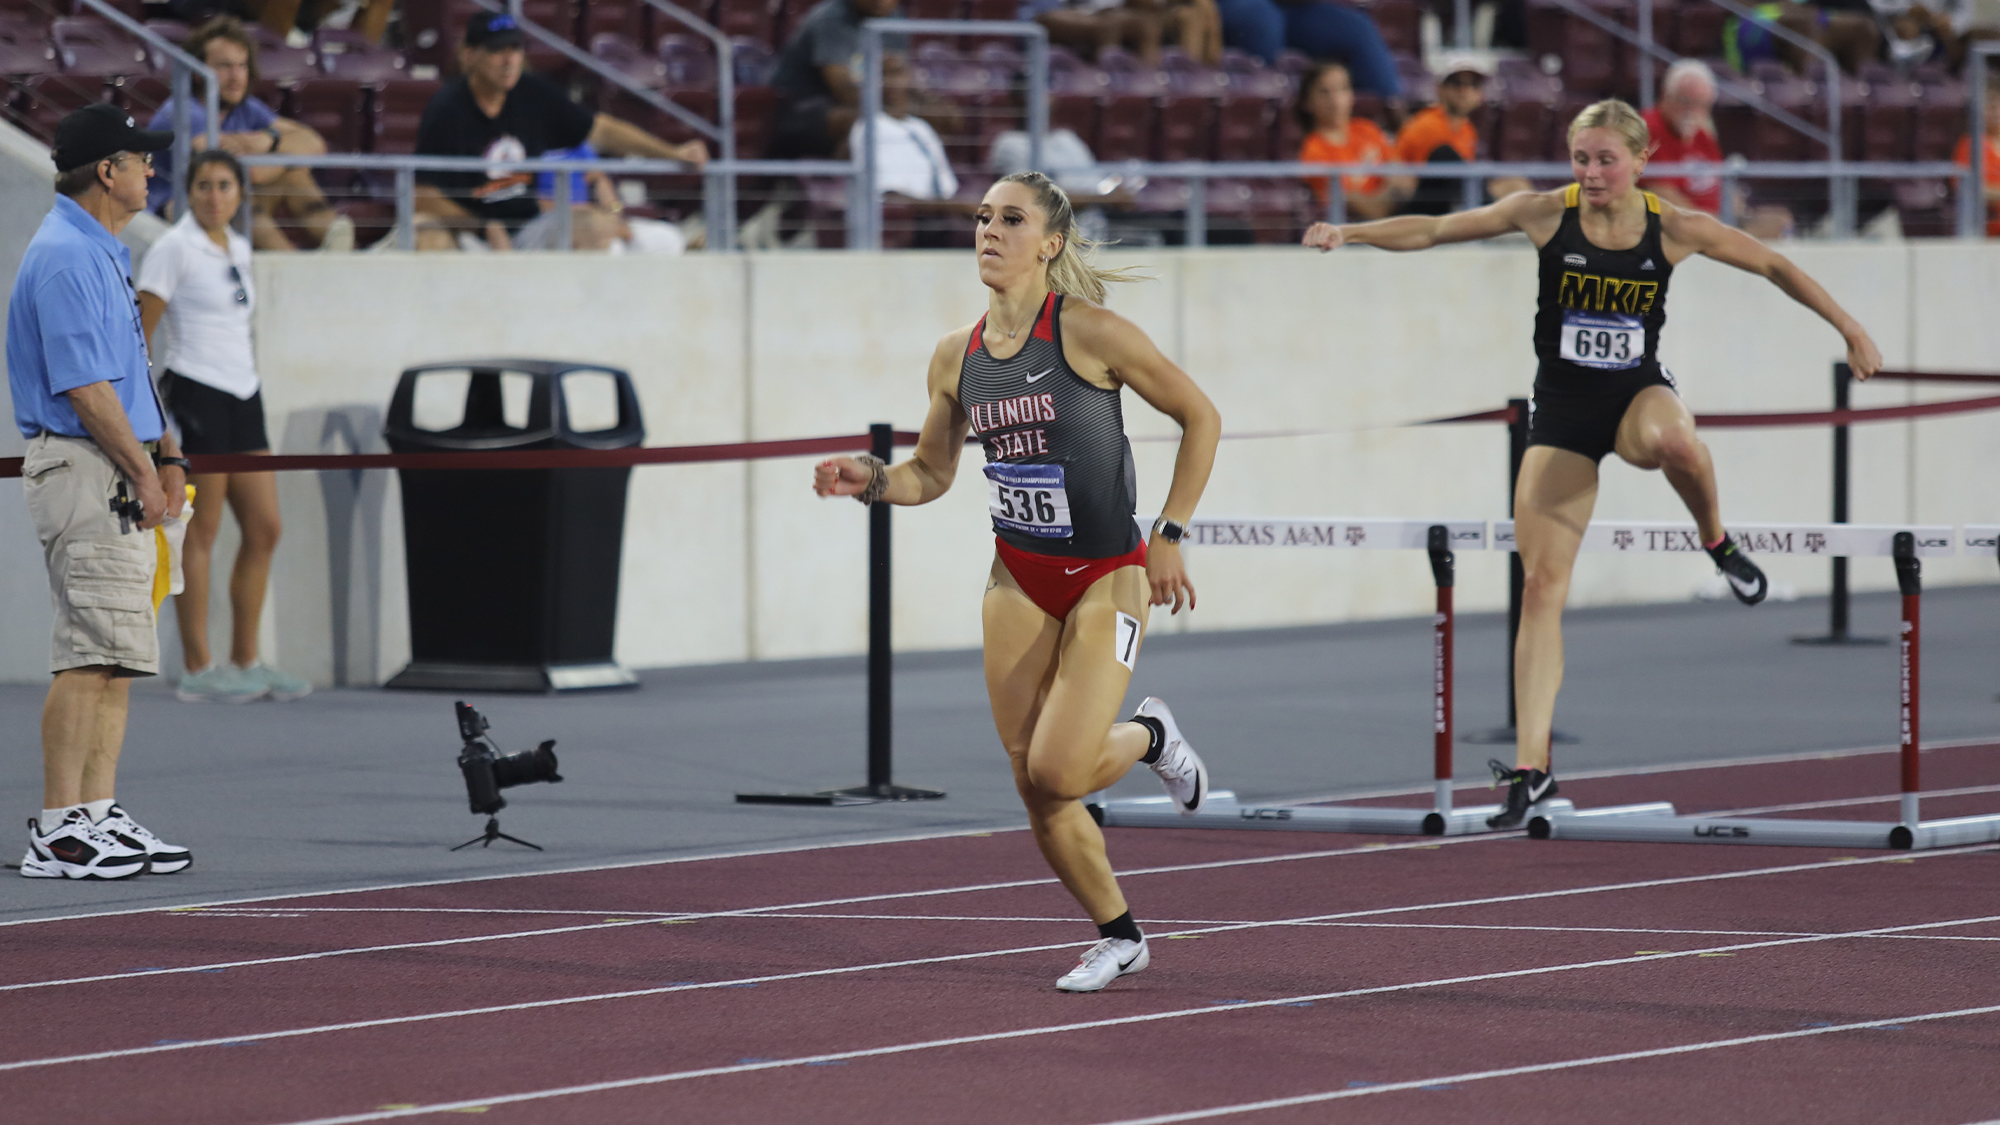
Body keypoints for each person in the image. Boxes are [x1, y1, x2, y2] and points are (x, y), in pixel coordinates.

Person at [1303, 99, 1884, 827]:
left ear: (1641, 162)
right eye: (1582, 158)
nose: (1593, 172)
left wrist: (1851, 327)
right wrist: (1349, 232)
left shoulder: (1674, 227)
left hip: (1636, 396)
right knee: (1542, 586)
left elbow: (1771, 263)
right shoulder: (1547, 214)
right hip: (1565, 414)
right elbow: (1436, 229)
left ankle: (1716, 539)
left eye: (1607, 159)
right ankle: (1532, 766)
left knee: (1677, 441)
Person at [812, 171, 1221, 990]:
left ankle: (1152, 735)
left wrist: (1171, 531)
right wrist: (874, 479)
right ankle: (1121, 935)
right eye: (981, 218)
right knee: (1032, 781)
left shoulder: (1090, 333)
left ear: (1052, 242)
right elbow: (931, 472)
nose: (989, 231)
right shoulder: (955, 356)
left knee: (1062, 769)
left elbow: (1200, 415)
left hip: (1109, 574)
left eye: (1011, 219)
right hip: (1019, 576)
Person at [7, 104, 194, 879]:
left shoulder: (99, 250)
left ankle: (94, 810)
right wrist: (148, 474)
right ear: (106, 171)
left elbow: (127, 374)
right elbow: (85, 387)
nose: (153, 170)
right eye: (140, 159)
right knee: (87, 652)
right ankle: (58, 825)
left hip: (114, 465)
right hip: (89, 466)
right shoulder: (67, 256)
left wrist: (168, 452)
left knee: (116, 653)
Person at [136, 150, 312, 704]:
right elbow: (139, 334)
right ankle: (198, 665)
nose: (215, 196)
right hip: (196, 393)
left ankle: (247, 659)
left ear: (240, 193)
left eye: (226, 186)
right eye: (205, 186)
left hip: (245, 396)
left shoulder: (238, 247)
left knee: (265, 528)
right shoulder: (172, 248)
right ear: (189, 192)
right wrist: (153, 418)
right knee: (202, 531)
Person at [414, 13, 708, 251]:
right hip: (469, 230)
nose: (509, 61)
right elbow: (422, 195)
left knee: (592, 224)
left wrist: (673, 152)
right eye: (496, 51)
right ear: (470, 56)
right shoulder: (447, 108)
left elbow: (603, 130)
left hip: (526, 227)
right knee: (426, 233)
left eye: (515, 49)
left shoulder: (531, 91)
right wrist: (482, 225)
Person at [147, 16, 355, 252]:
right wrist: (277, 155)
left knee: (294, 176)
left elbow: (314, 144)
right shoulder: (183, 110)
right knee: (238, 195)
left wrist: (268, 140)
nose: (236, 76)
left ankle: (341, 249)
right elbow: (235, 170)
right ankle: (293, 265)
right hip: (169, 214)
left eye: (242, 65)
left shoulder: (246, 107)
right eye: (224, 66)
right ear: (197, 72)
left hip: (221, 204)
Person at [1640, 59, 1792, 240]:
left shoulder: (1699, 133)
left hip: (1718, 222)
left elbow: (1722, 182)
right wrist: (1714, 226)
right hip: (1683, 229)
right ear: (1666, 96)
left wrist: (1738, 211)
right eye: (1686, 101)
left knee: (1779, 219)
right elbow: (1662, 196)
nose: (1693, 111)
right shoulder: (1649, 129)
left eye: (1701, 104)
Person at [1394, 54, 1532, 214]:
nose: (1465, 91)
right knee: (1444, 154)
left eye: (1474, 84)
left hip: (1449, 203)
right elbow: (1418, 185)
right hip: (1420, 207)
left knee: (1516, 185)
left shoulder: (1467, 129)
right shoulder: (1427, 125)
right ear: (1440, 89)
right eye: (1456, 84)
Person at [769, 0, 902, 160]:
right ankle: (839, 179)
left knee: (923, 117)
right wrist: (893, 109)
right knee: (870, 122)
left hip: (863, 102)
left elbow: (899, 76)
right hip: (799, 108)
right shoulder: (831, 18)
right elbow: (844, 90)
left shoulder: (893, 19)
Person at [1213, 0, 1401, 97]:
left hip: (1292, 9)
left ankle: (1394, 121)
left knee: (1359, 29)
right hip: (1239, 6)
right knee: (1263, 21)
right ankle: (1267, 119)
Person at [1295, 60, 1406, 219]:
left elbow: (1402, 179)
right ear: (1307, 102)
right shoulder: (1313, 150)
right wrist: (1390, 196)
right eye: (1325, 92)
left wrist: (1386, 197)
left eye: (1343, 89)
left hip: (1398, 215)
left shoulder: (1368, 129)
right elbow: (1350, 201)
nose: (1335, 101)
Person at [1953, 82, 1999, 237]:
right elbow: (1968, 190)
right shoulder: (1971, 145)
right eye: (1990, 105)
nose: (1996, 111)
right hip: (1986, 233)